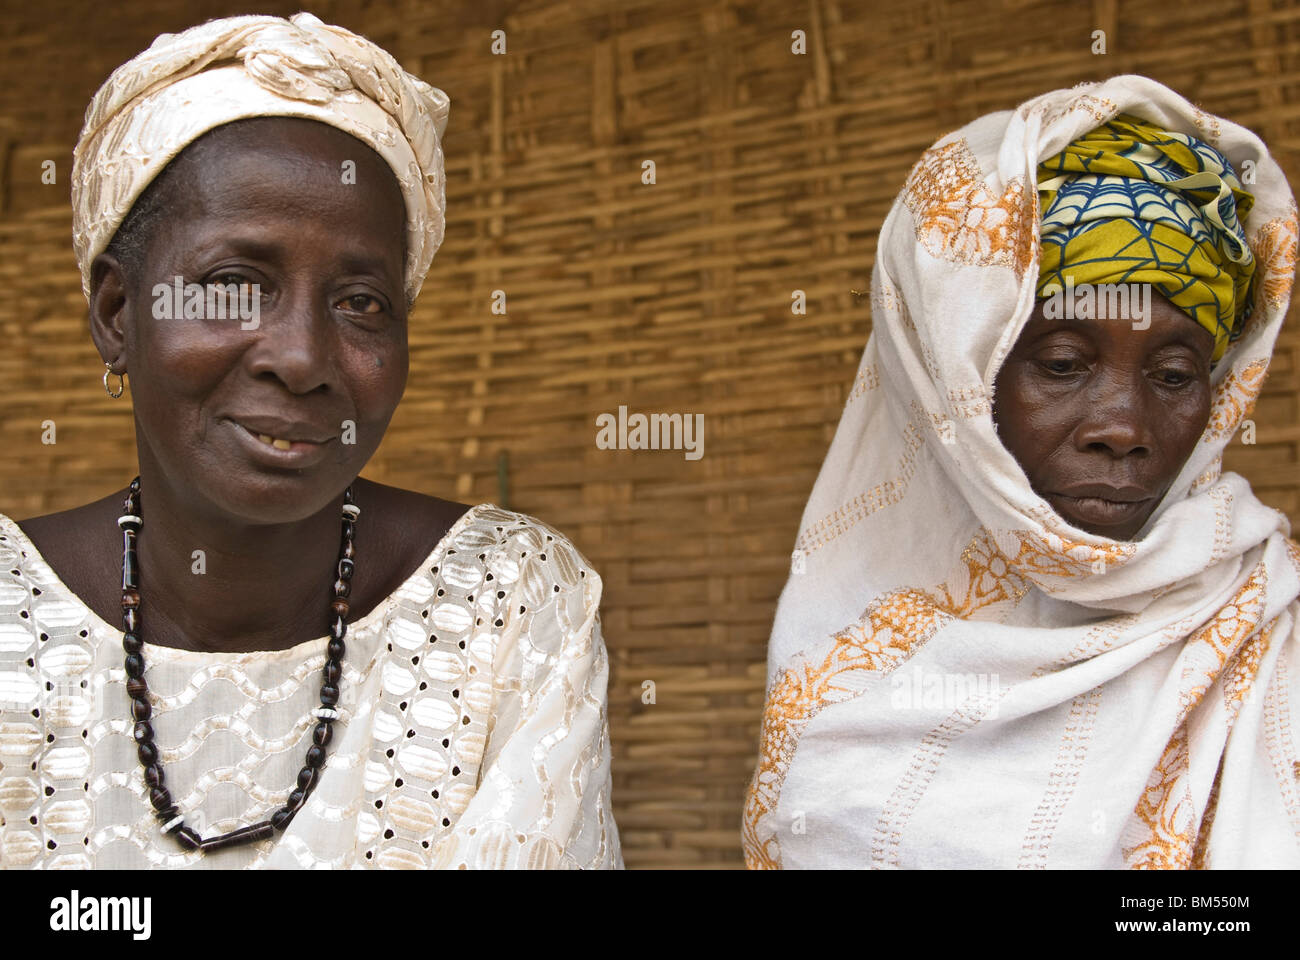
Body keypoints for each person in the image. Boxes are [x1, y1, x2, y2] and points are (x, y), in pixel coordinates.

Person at [0, 13, 621, 869]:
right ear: (117, 314)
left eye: (361, 301)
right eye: (233, 285)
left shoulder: (506, 607)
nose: (299, 359)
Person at [743, 75, 1300, 869]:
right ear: (954, 382)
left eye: (1175, 375)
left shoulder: (1271, 636)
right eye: (1065, 362)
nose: (1125, 428)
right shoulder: (843, 665)